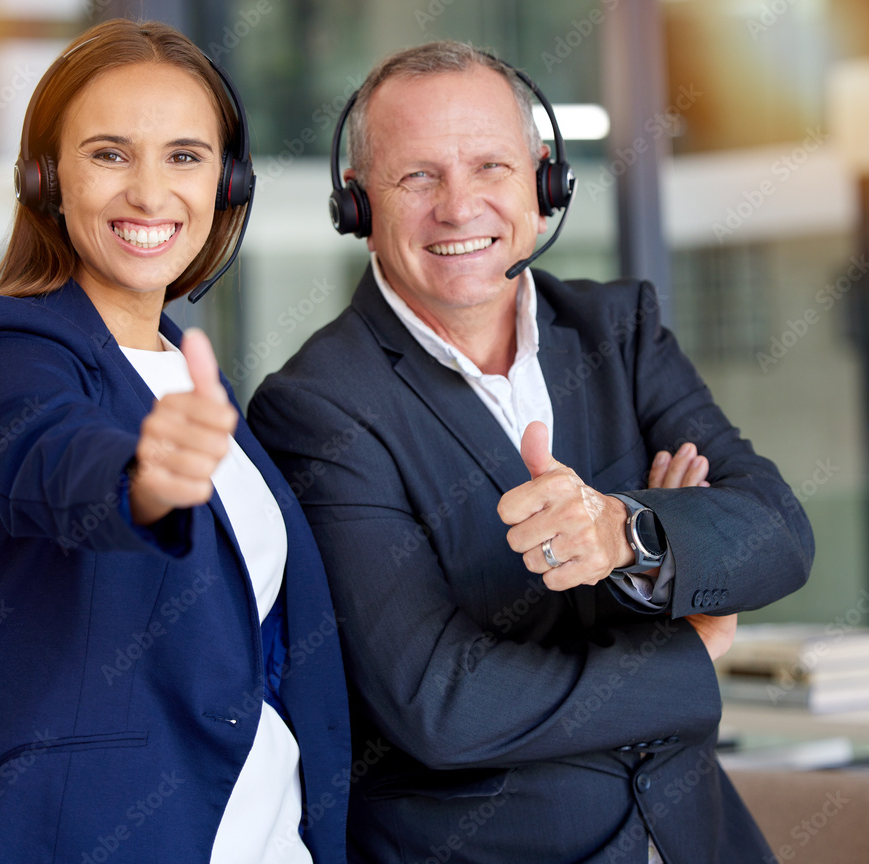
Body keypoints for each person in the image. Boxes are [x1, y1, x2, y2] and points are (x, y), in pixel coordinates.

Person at [248, 41, 813, 864]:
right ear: (358, 205)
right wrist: (688, 639)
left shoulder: (618, 329)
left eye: (490, 167)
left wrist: (629, 535)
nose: (459, 207)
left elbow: (779, 533)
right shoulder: (317, 407)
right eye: (418, 177)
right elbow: (442, 706)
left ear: (546, 185)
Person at [0, 19, 348, 864]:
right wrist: (142, 478)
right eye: (110, 154)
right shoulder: (7, 348)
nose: (151, 194)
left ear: (227, 182)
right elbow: (53, 457)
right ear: (46, 179)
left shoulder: (187, 372)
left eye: (185, 156)